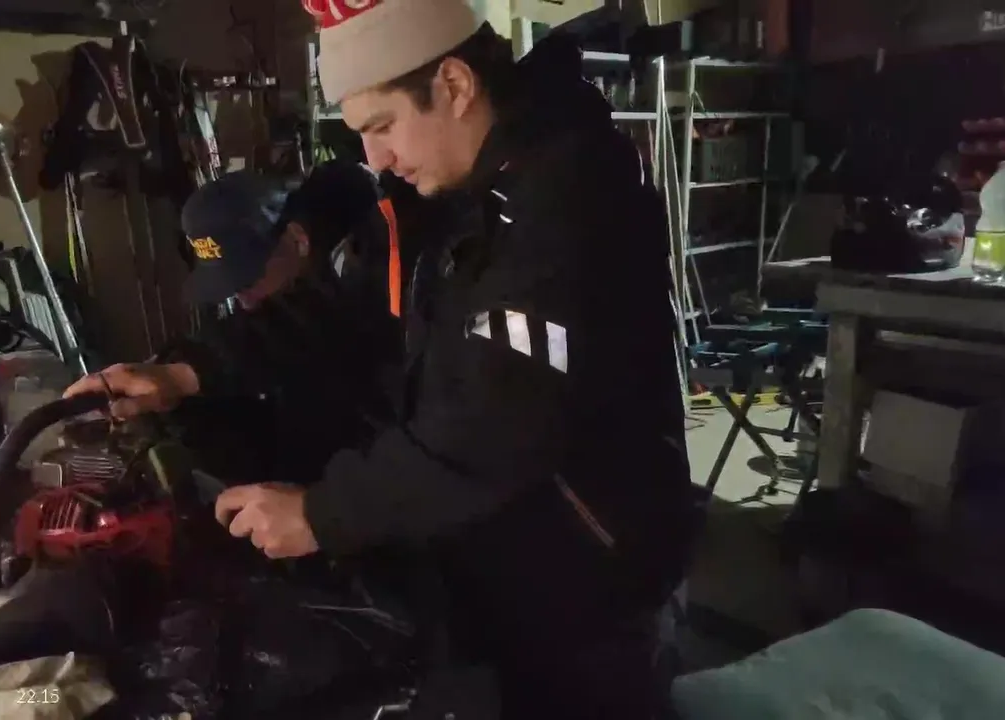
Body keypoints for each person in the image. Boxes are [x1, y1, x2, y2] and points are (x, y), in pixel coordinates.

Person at [212, 1, 696, 718]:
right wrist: (188, 369)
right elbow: (339, 314)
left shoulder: (567, 196)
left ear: (455, 84)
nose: (374, 157)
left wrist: (324, 513)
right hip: (497, 557)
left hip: (589, 583)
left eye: (383, 126)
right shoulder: (449, 192)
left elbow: (497, 422)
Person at [65, 161, 402, 487]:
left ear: (297, 239)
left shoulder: (374, 260)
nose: (246, 302)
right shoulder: (283, 301)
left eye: (249, 280)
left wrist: (182, 373)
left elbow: (303, 328)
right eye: (233, 289)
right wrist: (182, 409)